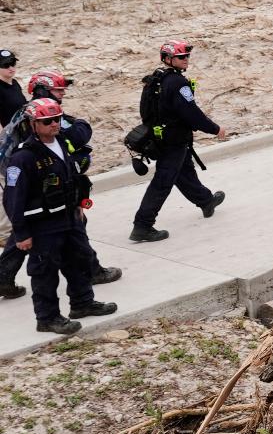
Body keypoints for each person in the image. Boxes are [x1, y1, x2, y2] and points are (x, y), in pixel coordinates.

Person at [0, 73, 117, 300]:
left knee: (28, 231)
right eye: (58, 90)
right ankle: (93, 271)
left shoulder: (34, 113)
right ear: (43, 90)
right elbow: (77, 134)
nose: (63, 94)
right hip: (45, 189)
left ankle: (3, 276)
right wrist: (81, 123)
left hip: (43, 188)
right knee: (72, 229)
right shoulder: (42, 117)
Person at [129, 41, 227, 244]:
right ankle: (142, 226)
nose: (186, 60)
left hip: (161, 138)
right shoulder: (178, 83)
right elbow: (192, 113)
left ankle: (206, 201)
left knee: (184, 172)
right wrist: (215, 129)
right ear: (168, 59)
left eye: (187, 56)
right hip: (174, 141)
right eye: (182, 57)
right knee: (162, 183)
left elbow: (145, 112)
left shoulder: (155, 79)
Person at [0, 51, 24, 127]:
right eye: (6, 65)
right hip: (10, 134)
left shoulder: (15, 82)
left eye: (13, 63)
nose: (11, 68)